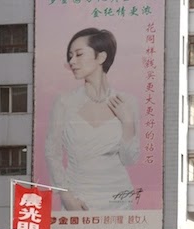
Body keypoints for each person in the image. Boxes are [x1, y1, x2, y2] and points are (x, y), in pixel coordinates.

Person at [46, 28, 139, 212]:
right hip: (78, 199)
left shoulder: (127, 102)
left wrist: (128, 124)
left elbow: (130, 159)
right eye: (70, 56)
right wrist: (66, 196)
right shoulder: (64, 102)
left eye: (79, 54)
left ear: (101, 57)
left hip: (119, 200)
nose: (72, 61)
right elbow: (52, 152)